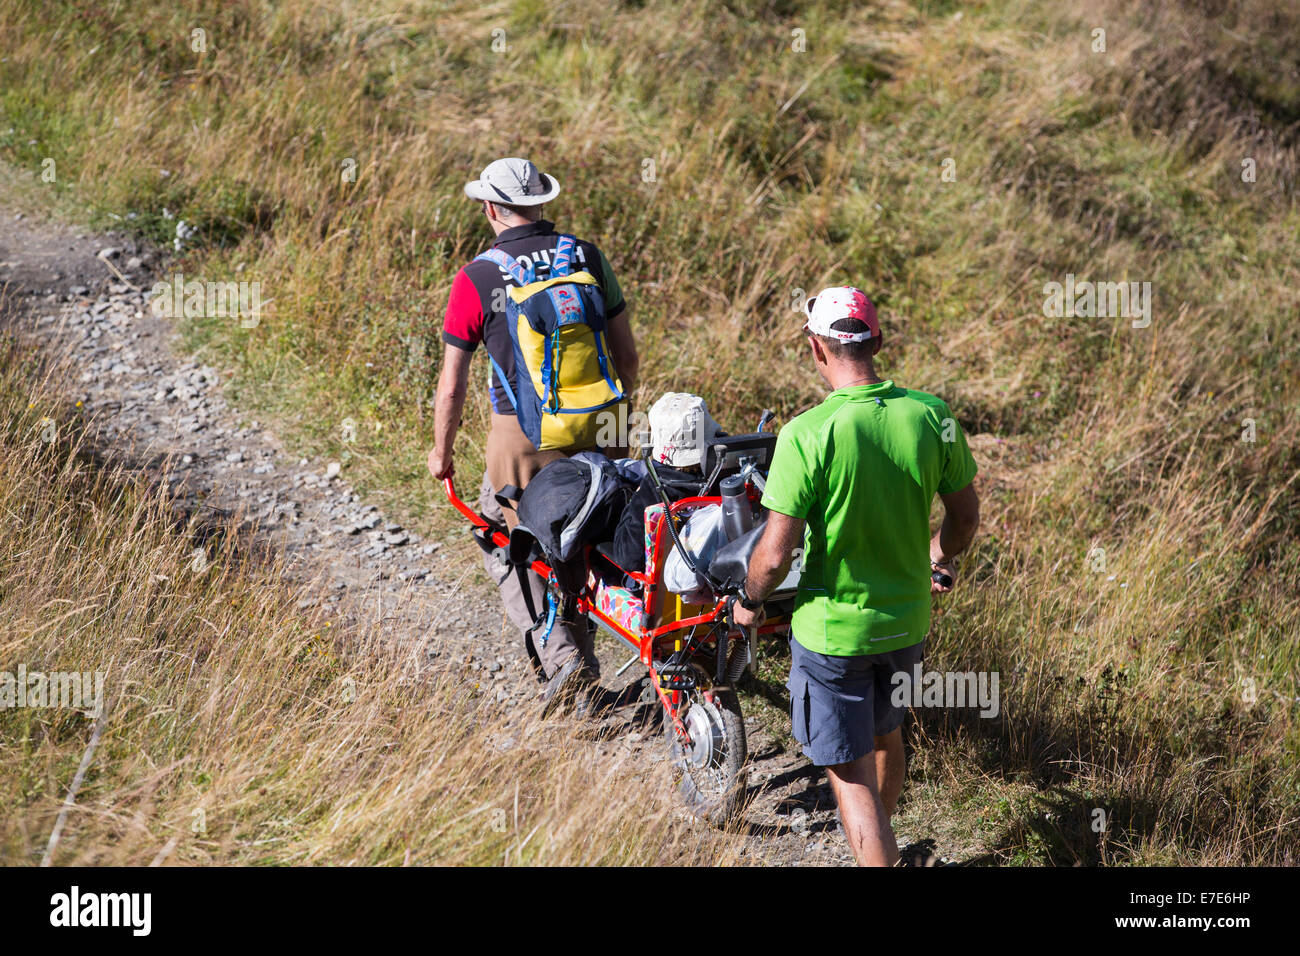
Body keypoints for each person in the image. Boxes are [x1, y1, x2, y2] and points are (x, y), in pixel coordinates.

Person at [732, 286, 980, 866]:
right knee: (885, 733)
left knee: (850, 777)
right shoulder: (931, 415)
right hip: (907, 624)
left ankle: (878, 856)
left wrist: (748, 602)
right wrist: (936, 555)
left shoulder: (806, 434)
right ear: (879, 342)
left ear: (815, 348)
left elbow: (772, 556)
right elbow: (965, 517)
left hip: (832, 636)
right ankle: (882, 844)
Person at [426, 157, 640, 705]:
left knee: (502, 535)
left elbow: (452, 385)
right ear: (542, 201)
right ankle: (589, 650)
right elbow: (627, 357)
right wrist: (606, 420)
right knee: (585, 529)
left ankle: (564, 657)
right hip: (603, 421)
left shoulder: (478, 275)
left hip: (523, 435)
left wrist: (440, 452)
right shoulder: (587, 255)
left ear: (491, 207)